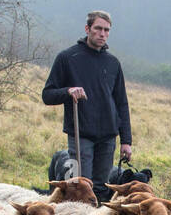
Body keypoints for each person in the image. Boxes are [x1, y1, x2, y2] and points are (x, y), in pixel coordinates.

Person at [41, 10, 132, 201]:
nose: (102, 34)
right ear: (87, 29)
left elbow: (121, 103)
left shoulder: (113, 63)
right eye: (98, 28)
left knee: (100, 189)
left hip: (108, 137)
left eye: (106, 30)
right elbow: (47, 95)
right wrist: (68, 91)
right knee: (80, 185)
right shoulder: (67, 58)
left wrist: (126, 141)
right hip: (80, 133)